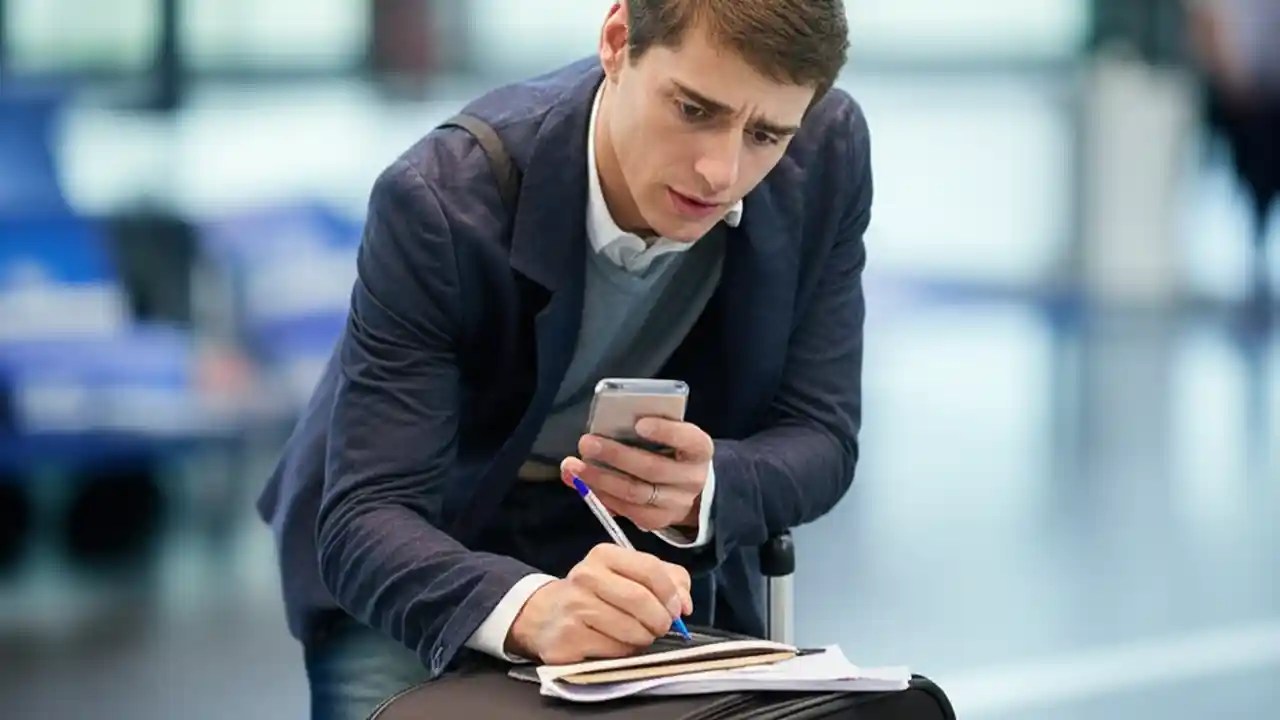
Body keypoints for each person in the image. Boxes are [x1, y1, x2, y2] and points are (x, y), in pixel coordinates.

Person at [256, 1, 872, 717]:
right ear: (617, 41)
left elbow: (822, 434)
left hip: (634, 554)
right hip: (425, 548)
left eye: (765, 134)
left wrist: (705, 488)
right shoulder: (443, 198)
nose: (720, 171)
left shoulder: (825, 152)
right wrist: (533, 610)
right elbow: (369, 514)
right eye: (694, 109)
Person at [1187, 0, 1280, 316]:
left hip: (1266, 93)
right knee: (1253, 173)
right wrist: (1231, 80)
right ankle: (1255, 248)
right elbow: (1206, 23)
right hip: (1242, 97)